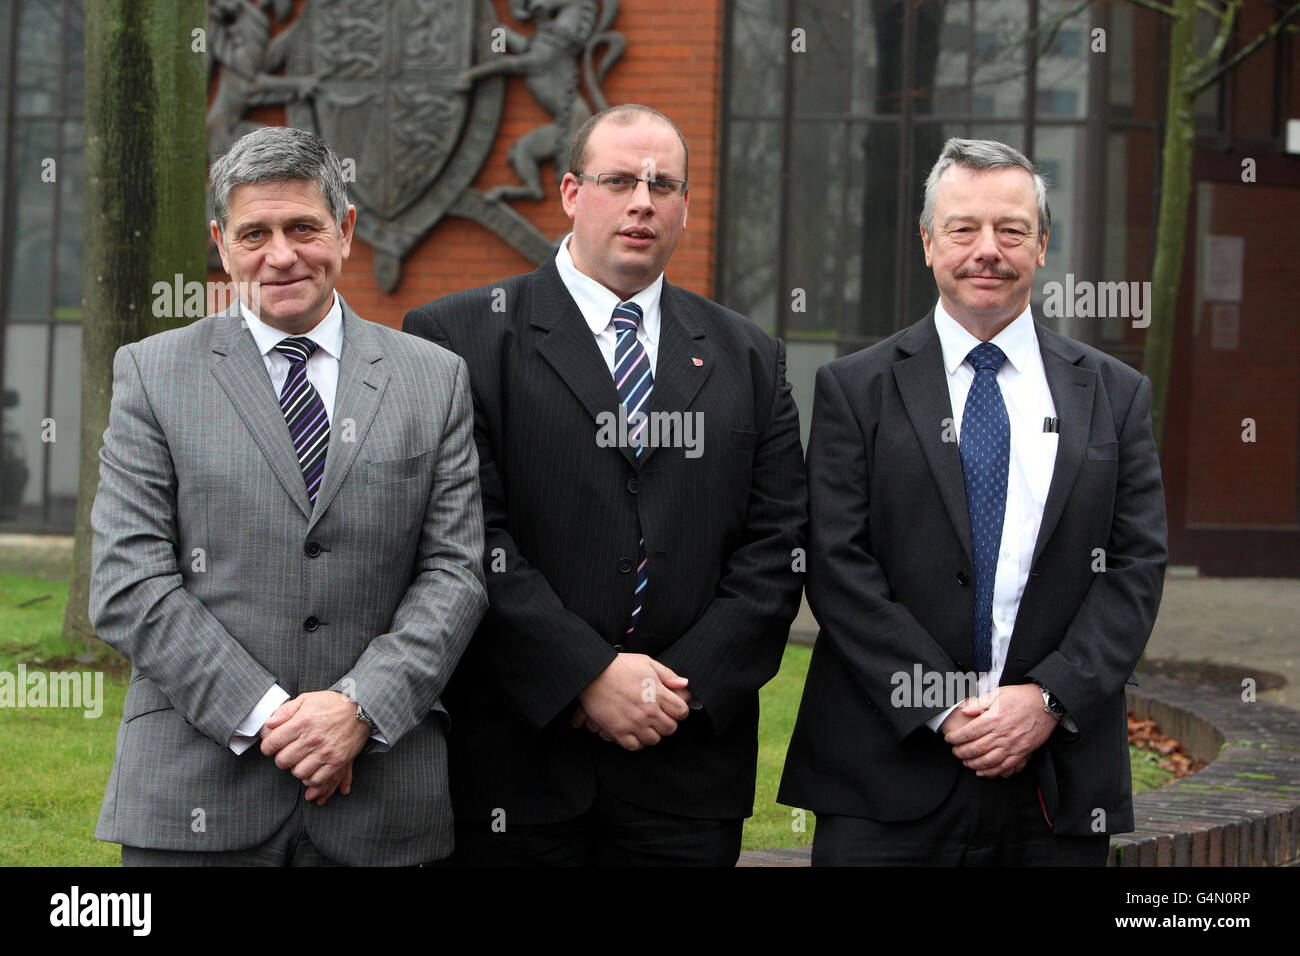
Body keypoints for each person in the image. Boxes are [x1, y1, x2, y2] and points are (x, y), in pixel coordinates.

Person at [403, 103, 807, 866]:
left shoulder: (751, 359)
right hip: (515, 771)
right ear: (568, 193)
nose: (642, 202)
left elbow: (776, 548)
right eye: (618, 179)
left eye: (664, 185)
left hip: (684, 777)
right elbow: (465, 539)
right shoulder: (459, 338)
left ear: (686, 205)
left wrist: (672, 693)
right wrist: (585, 676)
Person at [90, 125, 487, 866]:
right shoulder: (153, 374)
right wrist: (274, 718)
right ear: (222, 241)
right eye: (254, 233)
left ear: (345, 228)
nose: (280, 255)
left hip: (382, 799)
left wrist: (359, 708)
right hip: (196, 793)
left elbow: (456, 572)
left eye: (302, 226)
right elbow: (127, 581)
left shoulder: (434, 379)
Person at [778, 138, 1168, 865]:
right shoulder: (854, 389)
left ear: (1042, 246)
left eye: (1011, 230)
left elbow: (1137, 566)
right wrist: (941, 699)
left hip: (1055, 785)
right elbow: (836, 563)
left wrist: (1050, 698)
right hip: (883, 778)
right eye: (963, 228)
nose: (987, 249)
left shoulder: (1114, 395)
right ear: (929, 244)